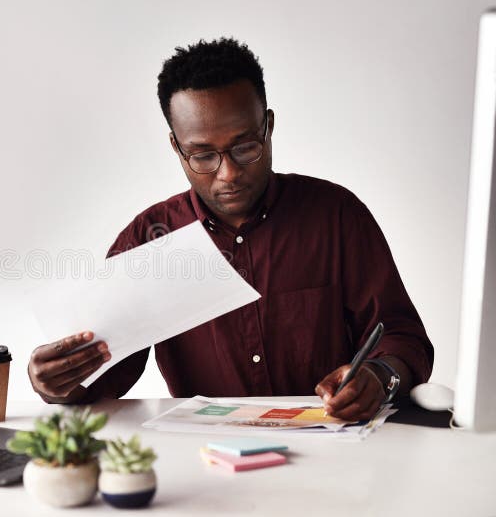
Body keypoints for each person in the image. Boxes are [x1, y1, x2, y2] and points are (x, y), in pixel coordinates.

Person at [27, 38, 434, 421]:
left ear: (268, 125)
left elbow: (404, 339)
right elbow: (102, 378)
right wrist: (57, 382)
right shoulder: (150, 240)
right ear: (176, 146)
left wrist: (379, 376)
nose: (229, 174)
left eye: (245, 147)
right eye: (203, 155)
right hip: (206, 459)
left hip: (332, 445)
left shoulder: (337, 216)